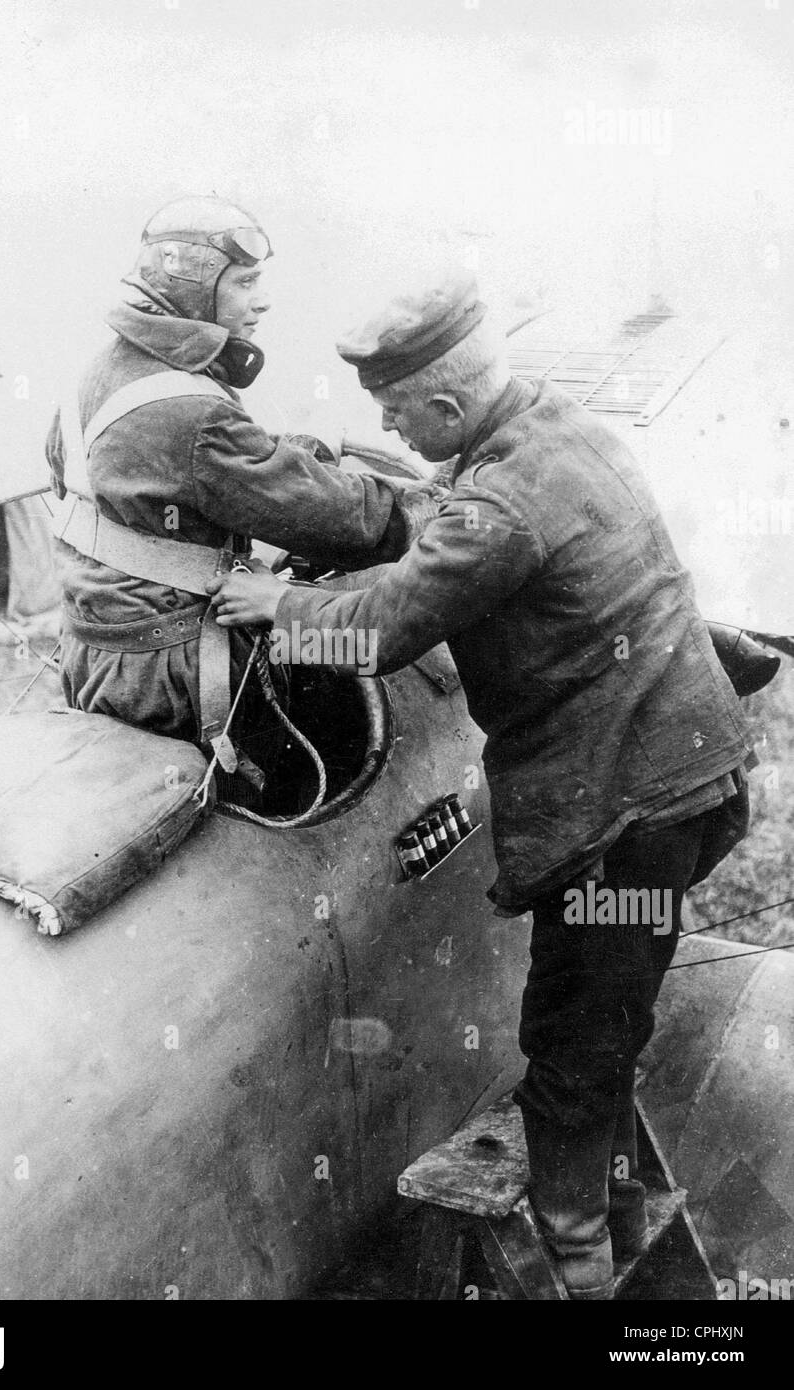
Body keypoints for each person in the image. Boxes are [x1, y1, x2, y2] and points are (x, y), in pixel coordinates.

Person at [207, 268, 753, 1299]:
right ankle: (604, 1194)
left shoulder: (497, 504)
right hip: (689, 783)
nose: (386, 424)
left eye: (393, 409)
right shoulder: (562, 430)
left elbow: (380, 631)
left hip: (619, 815)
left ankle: (577, 1253)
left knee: (571, 1030)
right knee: (610, 1001)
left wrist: (274, 606)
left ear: (448, 407)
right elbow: (476, 549)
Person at [44, 194, 436, 789]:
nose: (263, 299)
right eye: (246, 282)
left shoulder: (101, 374)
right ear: (197, 290)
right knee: (261, 799)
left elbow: (179, 479)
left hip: (95, 654)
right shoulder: (194, 410)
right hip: (177, 671)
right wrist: (428, 505)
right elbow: (335, 519)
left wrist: (303, 450)